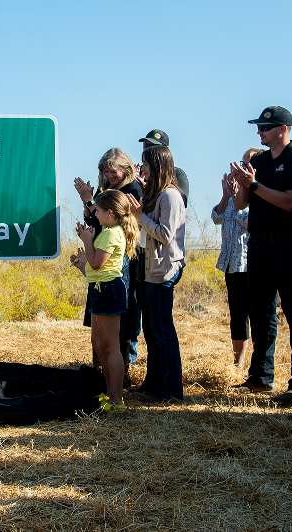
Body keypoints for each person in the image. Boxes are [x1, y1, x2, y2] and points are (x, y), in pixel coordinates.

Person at [228, 106, 292, 407]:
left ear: (283, 129)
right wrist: (242, 184)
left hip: (286, 244)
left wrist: (253, 184)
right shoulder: (260, 160)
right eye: (259, 127)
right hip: (258, 244)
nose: (259, 132)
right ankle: (260, 377)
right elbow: (242, 203)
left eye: (265, 127)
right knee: (261, 313)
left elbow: (291, 203)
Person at [74, 148, 143, 387]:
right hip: (101, 270)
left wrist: (89, 202)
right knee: (100, 338)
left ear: (126, 169)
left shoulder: (132, 191)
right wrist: (90, 206)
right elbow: (96, 222)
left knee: (116, 333)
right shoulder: (107, 195)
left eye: (113, 171)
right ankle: (105, 378)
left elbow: (99, 257)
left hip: (115, 269)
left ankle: (119, 380)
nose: (109, 175)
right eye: (105, 171)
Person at [126, 145, 185, 403]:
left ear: (159, 166)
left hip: (163, 271)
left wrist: (140, 216)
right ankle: (155, 383)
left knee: (163, 331)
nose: (144, 170)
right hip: (152, 270)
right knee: (153, 331)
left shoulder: (171, 196)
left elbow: (164, 234)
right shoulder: (157, 194)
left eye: (147, 165)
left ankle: (171, 389)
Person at [75, 189, 139, 412]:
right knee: (99, 344)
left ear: (110, 213)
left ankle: (116, 399)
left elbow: (96, 263)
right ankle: (109, 392)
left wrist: (87, 242)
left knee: (111, 347)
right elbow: (94, 268)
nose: (96, 215)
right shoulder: (108, 231)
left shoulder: (112, 234)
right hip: (99, 289)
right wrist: (82, 263)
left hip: (109, 291)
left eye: (99, 211)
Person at [213, 148, 263, 369]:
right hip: (231, 265)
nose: (239, 169)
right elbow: (216, 217)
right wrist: (226, 196)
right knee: (237, 315)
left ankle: (259, 361)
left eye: (245, 165)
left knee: (257, 314)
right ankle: (238, 362)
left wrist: (236, 197)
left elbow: (248, 223)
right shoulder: (233, 193)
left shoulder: (258, 195)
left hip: (250, 264)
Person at [139, 129, 189, 207]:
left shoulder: (177, 174)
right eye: (145, 145)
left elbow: (180, 204)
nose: (148, 149)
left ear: (166, 150)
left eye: (153, 146)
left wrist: (148, 189)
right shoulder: (141, 172)